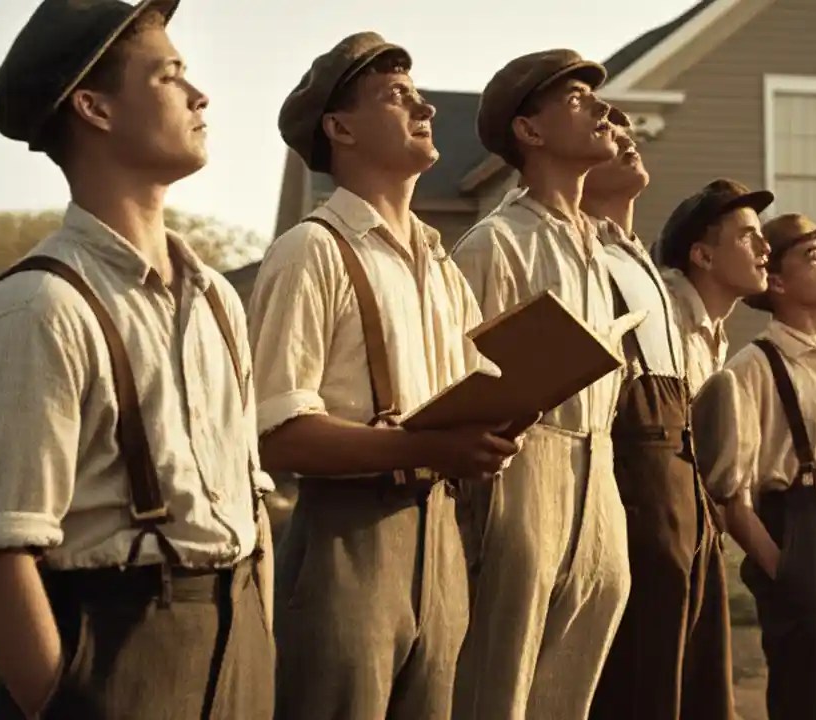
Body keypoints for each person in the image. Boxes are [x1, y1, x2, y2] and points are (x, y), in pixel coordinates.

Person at [0, 1, 275, 718]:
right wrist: (65, 703)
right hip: (118, 652)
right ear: (94, 108)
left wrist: (257, 649)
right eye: (169, 75)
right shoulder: (37, 308)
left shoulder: (219, 298)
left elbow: (248, 506)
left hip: (238, 644)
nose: (200, 94)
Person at [255, 32, 523, 720]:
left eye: (418, 92)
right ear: (340, 128)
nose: (424, 106)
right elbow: (277, 436)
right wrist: (428, 448)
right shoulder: (310, 252)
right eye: (396, 96)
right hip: (348, 539)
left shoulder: (439, 263)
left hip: (442, 534)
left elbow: (468, 403)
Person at [450, 49, 631, 720]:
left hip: (601, 469)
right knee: (499, 683)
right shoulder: (494, 243)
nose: (604, 111)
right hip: (526, 470)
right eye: (580, 100)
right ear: (529, 130)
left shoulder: (602, 250)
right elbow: (464, 385)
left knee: (571, 689)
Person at [692, 213, 816, 720]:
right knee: (813, 701)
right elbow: (729, 497)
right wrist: (786, 574)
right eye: (810, 254)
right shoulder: (754, 367)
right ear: (776, 282)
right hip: (807, 533)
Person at [585, 111, 739, 720]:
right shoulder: (581, 257)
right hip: (632, 496)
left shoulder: (641, 267)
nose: (624, 140)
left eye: (630, 136)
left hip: (684, 503)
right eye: (610, 135)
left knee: (691, 683)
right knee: (638, 681)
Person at [657, 179, 772, 396]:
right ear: (704, 256)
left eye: (761, 234)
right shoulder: (665, 320)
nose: (765, 247)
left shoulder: (711, 331)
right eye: (747, 236)